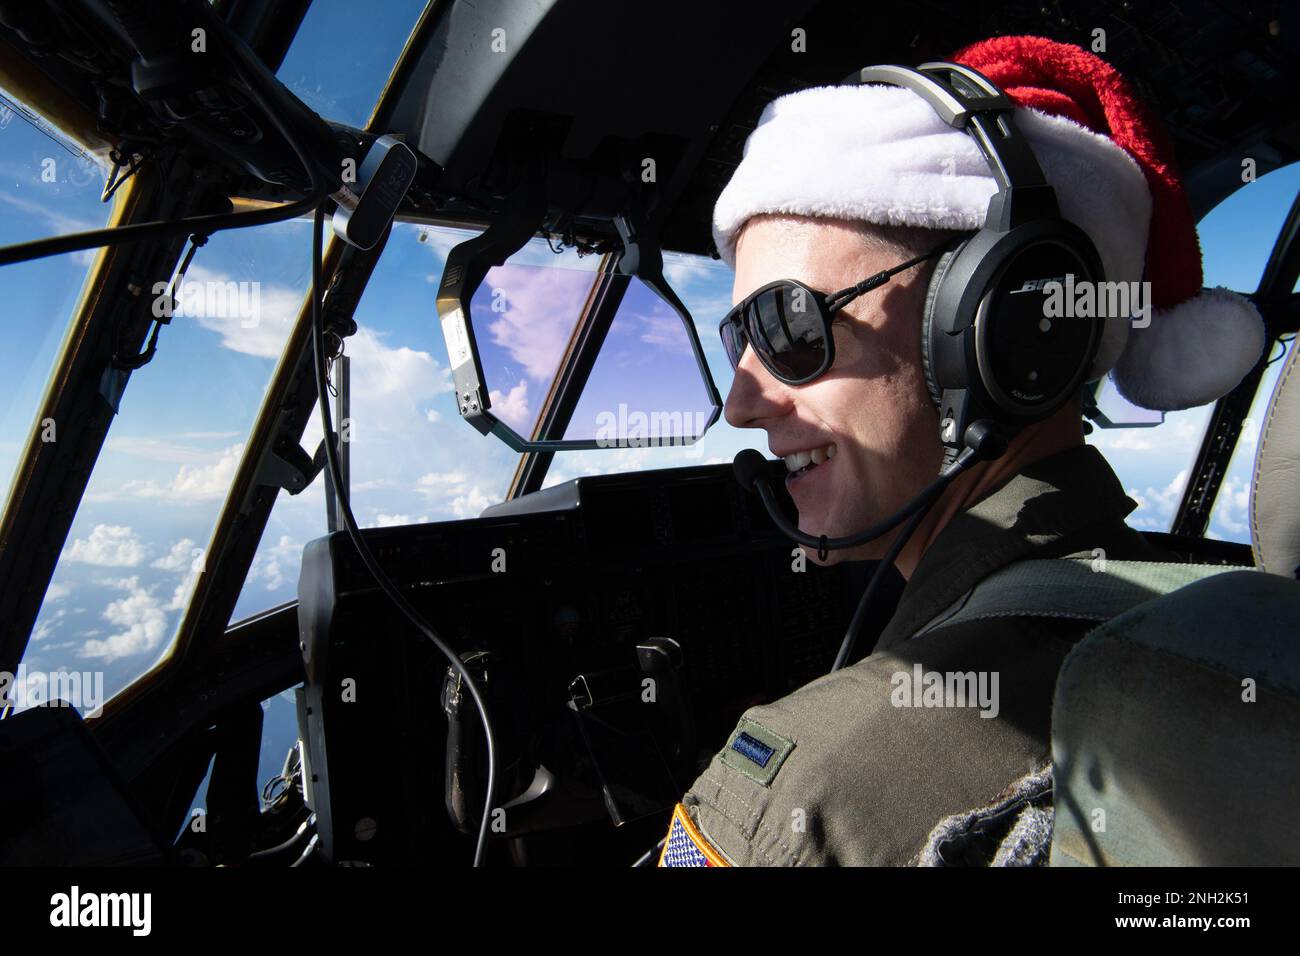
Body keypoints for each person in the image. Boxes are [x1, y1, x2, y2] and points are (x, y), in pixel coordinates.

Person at [657, 35, 1264, 867]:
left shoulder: (808, 800)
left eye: (790, 326)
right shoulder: (1228, 627)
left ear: (1008, 331)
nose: (740, 405)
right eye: (741, 340)